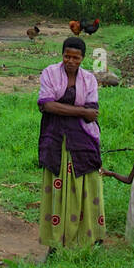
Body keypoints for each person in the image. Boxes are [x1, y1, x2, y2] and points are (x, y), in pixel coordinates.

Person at [37, 36, 105, 253]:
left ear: (82, 58)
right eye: (67, 56)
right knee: (57, 185)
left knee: (88, 183)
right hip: (55, 138)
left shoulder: (89, 79)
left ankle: (89, 239)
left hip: (83, 139)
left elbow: (91, 115)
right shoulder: (49, 73)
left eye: (76, 57)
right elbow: (46, 105)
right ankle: (55, 242)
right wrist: (81, 111)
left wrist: (71, 110)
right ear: (62, 55)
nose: (71, 61)